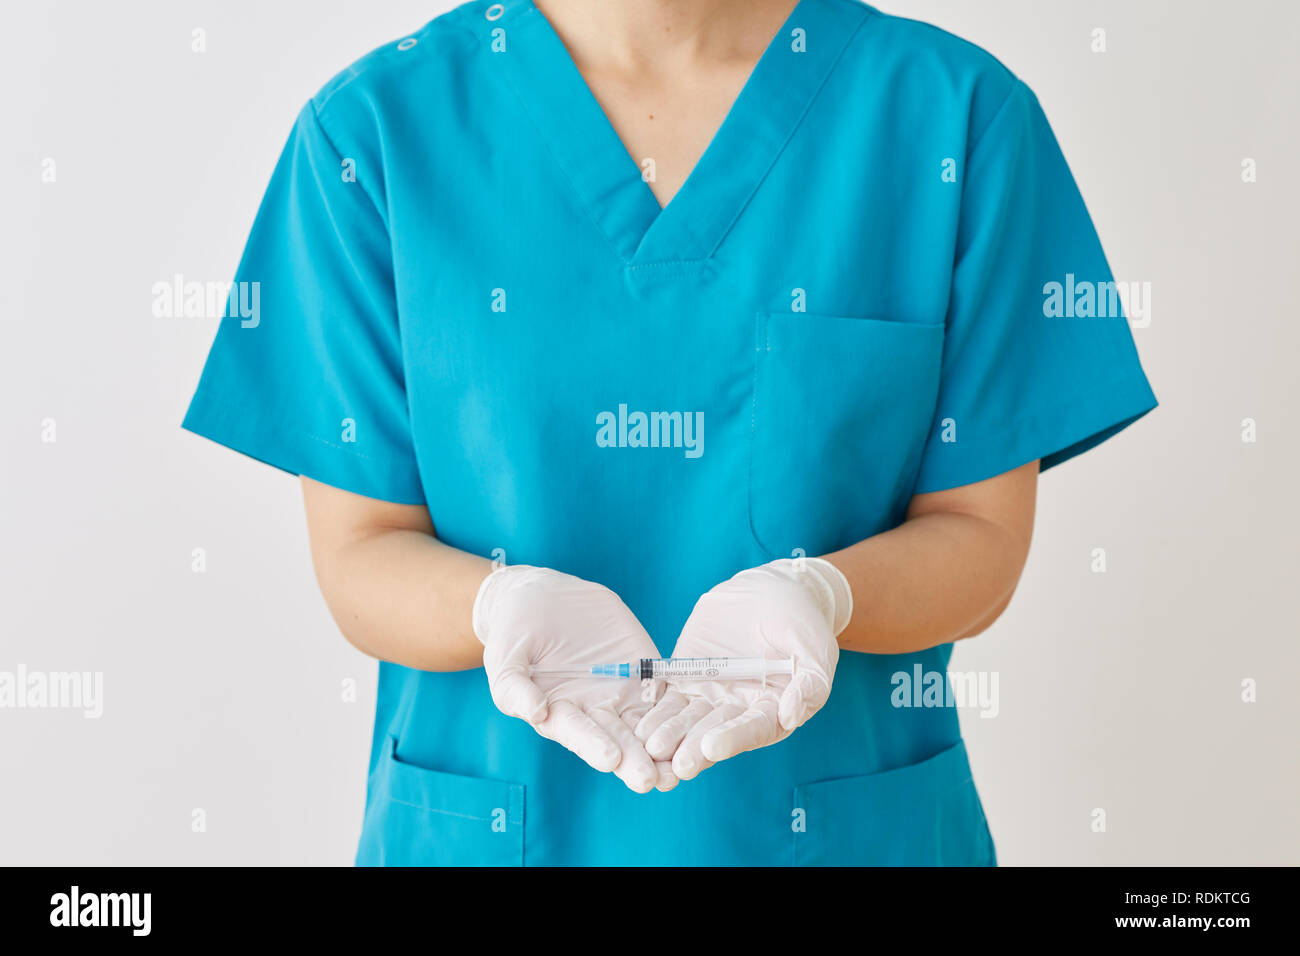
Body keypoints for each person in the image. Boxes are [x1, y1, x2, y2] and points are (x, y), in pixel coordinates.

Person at [183, 0, 1157, 865]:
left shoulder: (954, 118)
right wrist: (495, 607)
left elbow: (981, 537)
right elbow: (360, 554)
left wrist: (828, 594)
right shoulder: (374, 137)